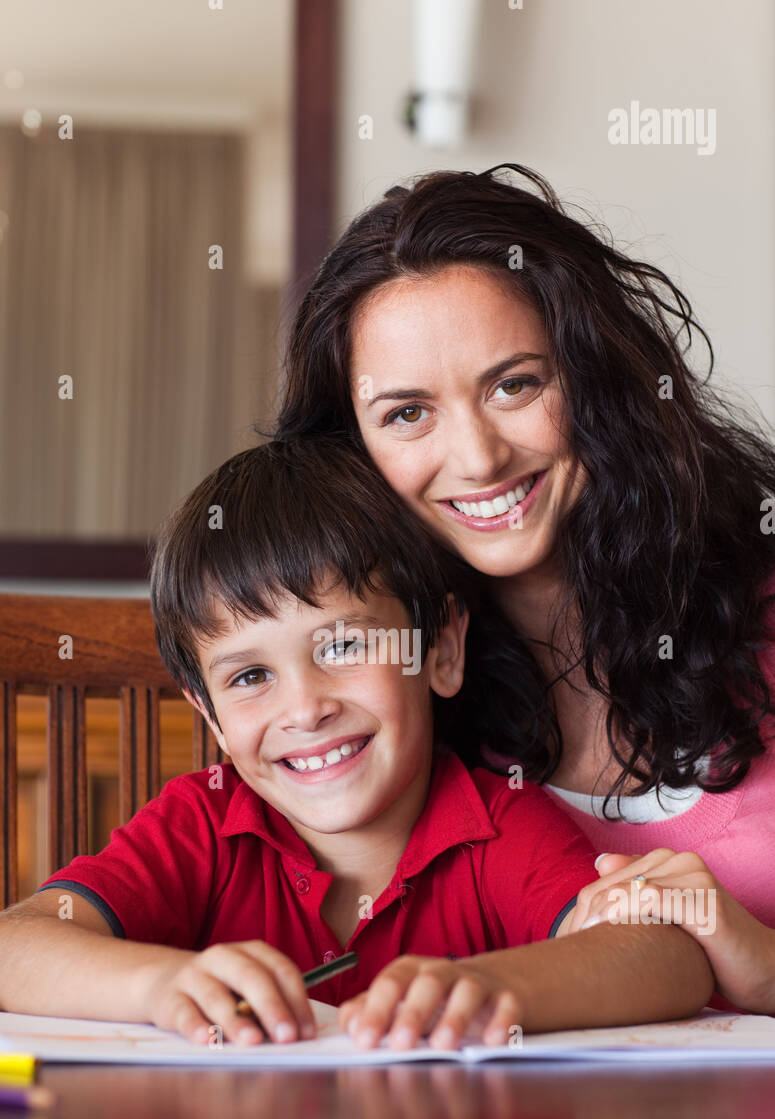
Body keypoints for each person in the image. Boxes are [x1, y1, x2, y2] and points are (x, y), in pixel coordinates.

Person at [0, 437, 714, 1050]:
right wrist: (156, 988)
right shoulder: (203, 822)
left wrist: (496, 988)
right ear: (212, 716)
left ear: (441, 651)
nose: (306, 708)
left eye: (345, 645)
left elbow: (664, 956)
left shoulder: (495, 820)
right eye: (251, 675)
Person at [275, 162, 775, 1033]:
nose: (475, 458)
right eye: (406, 414)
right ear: (346, 454)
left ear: (597, 380)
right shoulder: (368, 699)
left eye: (515, 385)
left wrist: (761, 966)